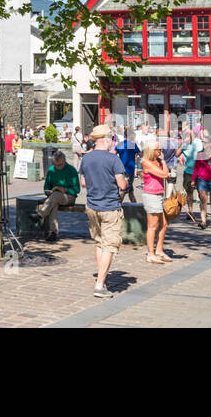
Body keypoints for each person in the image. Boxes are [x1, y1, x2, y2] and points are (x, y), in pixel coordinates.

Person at [79, 125, 127, 298]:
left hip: (92, 206)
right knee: (109, 245)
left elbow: (83, 183)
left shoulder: (86, 159)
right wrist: (124, 182)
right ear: (106, 140)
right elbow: (122, 185)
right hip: (110, 207)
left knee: (99, 243)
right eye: (112, 140)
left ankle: (101, 278)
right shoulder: (113, 159)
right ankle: (100, 285)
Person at [34, 150, 80, 242]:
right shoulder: (51, 170)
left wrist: (65, 190)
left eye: (59, 165)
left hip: (69, 197)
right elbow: (46, 186)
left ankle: (40, 215)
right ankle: (52, 233)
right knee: (54, 202)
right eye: (55, 165)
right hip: (53, 198)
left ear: (64, 162)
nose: (57, 167)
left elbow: (77, 189)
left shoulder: (71, 170)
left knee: (55, 197)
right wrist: (48, 191)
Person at [142, 139, 171, 261]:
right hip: (151, 195)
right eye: (158, 149)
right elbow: (164, 175)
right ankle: (150, 253)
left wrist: (163, 162)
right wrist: (163, 162)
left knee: (164, 224)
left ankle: (159, 250)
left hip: (159, 194)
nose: (161, 151)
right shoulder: (146, 162)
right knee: (152, 226)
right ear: (152, 151)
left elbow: (167, 173)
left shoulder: (158, 161)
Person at [179, 128, 203, 225]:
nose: (189, 136)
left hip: (199, 172)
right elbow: (176, 154)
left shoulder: (198, 142)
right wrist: (182, 146)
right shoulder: (185, 144)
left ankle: (202, 213)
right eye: (187, 135)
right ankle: (190, 211)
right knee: (189, 193)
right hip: (188, 172)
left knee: (201, 193)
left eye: (190, 134)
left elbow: (202, 153)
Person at [115, 128, 141, 203]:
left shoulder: (120, 144)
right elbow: (141, 155)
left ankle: (135, 206)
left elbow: (113, 154)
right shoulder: (133, 145)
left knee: (130, 191)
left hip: (120, 170)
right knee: (124, 190)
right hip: (129, 170)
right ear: (131, 135)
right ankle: (117, 206)